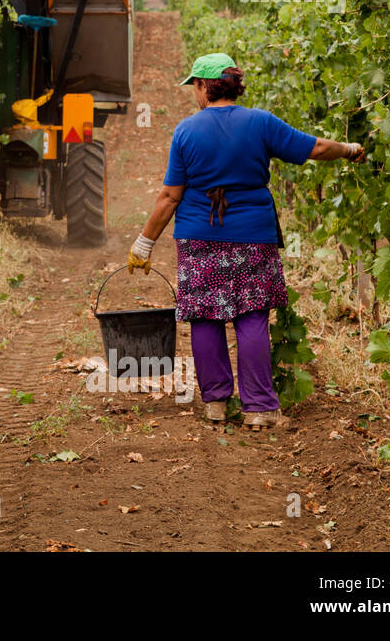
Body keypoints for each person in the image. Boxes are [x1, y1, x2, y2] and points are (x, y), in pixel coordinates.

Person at [128, 53, 367, 430]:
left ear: (206, 86)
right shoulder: (260, 123)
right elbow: (316, 149)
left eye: (194, 84)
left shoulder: (186, 132)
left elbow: (170, 197)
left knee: (205, 316)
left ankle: (216, 404)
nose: (194, 92)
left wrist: (144, 242)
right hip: (252, 236)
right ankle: (259, 408)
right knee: (251, 314)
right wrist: (349, 150)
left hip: (199, 235)